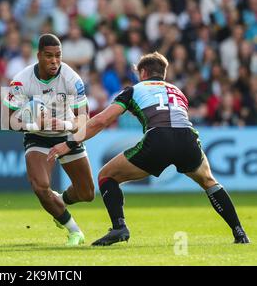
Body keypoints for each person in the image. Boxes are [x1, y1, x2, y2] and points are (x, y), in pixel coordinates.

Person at [48, 52, 250, 246]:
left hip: (159, 138)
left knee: (107, 176)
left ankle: (119, 228)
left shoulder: (134, 90)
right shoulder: (178, 92)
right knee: (209, 182)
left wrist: (69, 143)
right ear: (163, 73)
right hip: (187, 138)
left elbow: (101, 121)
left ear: (143, 72)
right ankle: (239, 232)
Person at [3, 34, 94, 246]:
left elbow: (84, 120)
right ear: (39, 56)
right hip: (37, 137)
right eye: (49, 56)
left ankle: (58, 202)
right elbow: (7, 120)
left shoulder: (72, 79)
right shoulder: (20, 82)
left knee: (87, 193)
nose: (54, 61)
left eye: (58, 56)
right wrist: (35, 125)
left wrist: (62, 125)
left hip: (68, 136)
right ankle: (74, 231)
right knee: (41, 187)